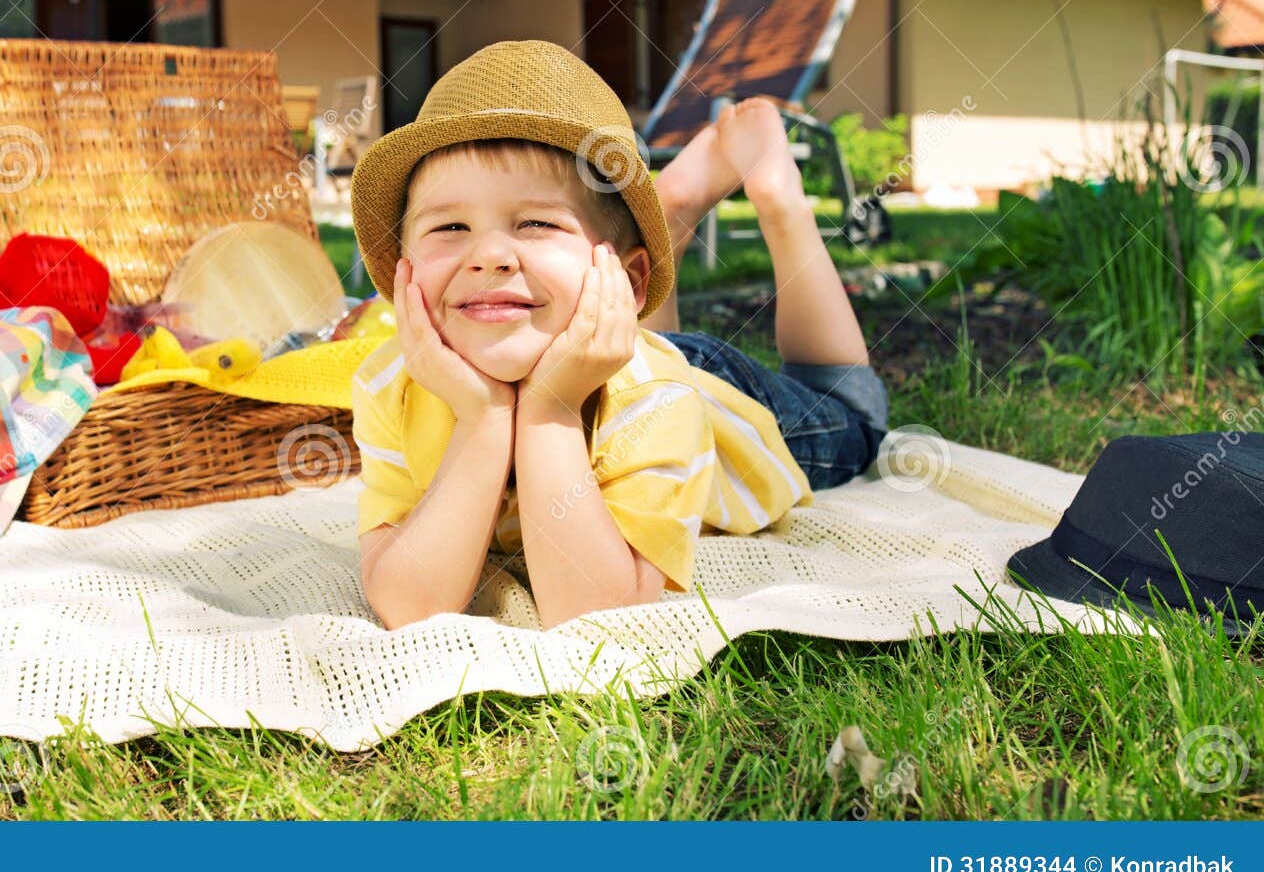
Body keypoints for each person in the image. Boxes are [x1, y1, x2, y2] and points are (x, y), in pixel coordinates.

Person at [347, 40, 889, 630]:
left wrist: (549, 409)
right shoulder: (389, 384)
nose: (489, 255)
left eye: (535, 223)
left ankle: (779, 202)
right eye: (450, 225)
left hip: (721, 401)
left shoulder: (659, 400)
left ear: (626, 283)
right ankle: (670, 210)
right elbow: (408, 606)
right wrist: (482, 419)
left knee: (851, 409)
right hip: (602, 335)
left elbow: (593, 617)